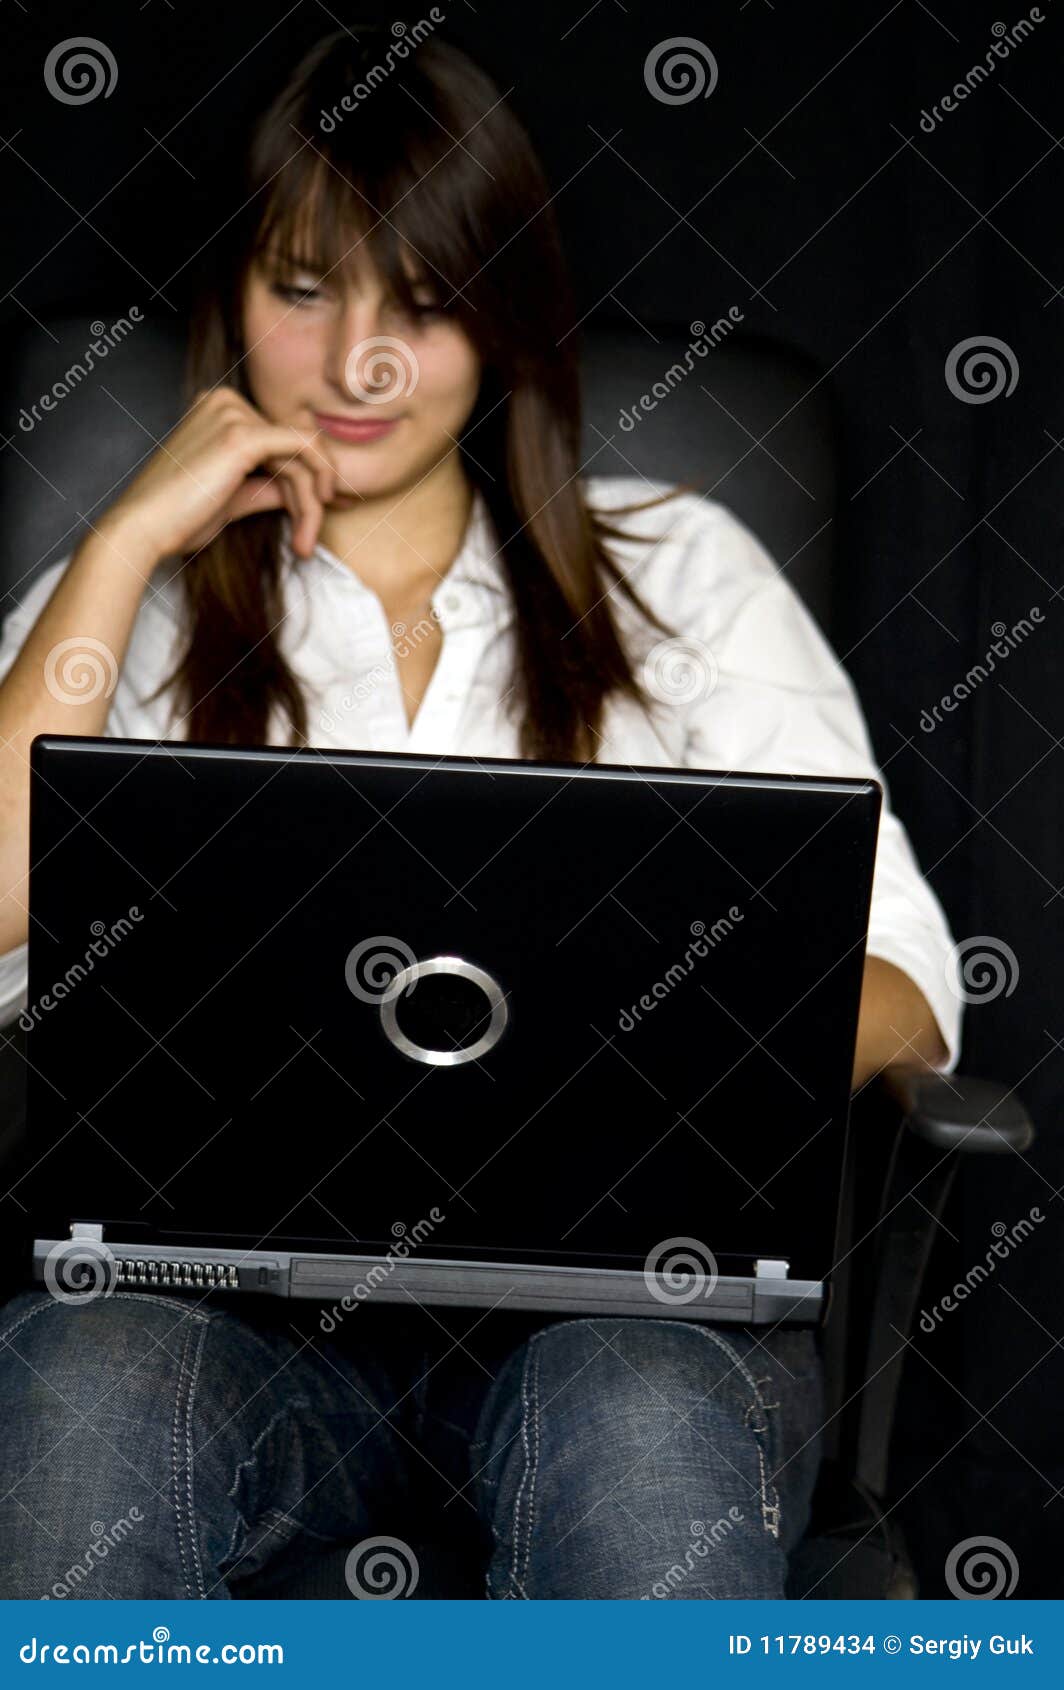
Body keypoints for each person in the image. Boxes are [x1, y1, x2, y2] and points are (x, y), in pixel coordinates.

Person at [0, 29, 959, 1599]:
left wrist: (622, 1040)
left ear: (504, 322)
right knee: (87, 1394)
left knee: (645, 1432)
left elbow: (911, 994)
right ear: (234, 300)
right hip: (226, 1326)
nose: (359, 360)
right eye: (305, 287)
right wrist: (119, 548)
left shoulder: (685, 573)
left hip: (626, 1317)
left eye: (426, 300)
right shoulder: (126, 602)